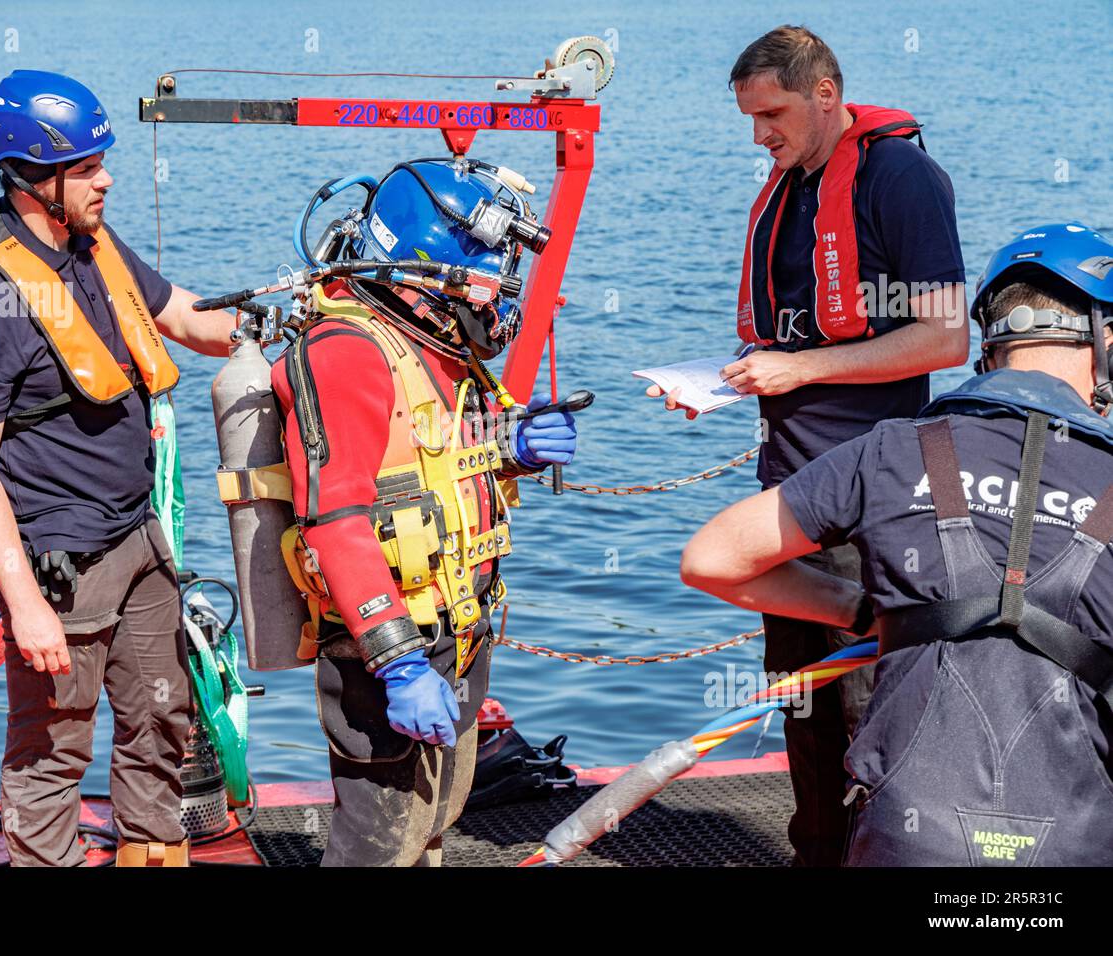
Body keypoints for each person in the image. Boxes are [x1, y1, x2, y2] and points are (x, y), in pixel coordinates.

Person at [682, 223, 1113, 865]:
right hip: (1073, 843)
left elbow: (711, 560)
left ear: (989, 348)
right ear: (1106, 343)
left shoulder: (893, 449)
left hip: (912, 837)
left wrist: (859, 611)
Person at [650, 25, 968, 865]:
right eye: (751, 118)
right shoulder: (791, 183)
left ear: (826, 94)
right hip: (789, 490)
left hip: (872, 495)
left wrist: (798, 370)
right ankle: (816, 852)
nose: (760, 135)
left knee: (868, 705)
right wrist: (724, 382)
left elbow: (945, 338)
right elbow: (796, 338)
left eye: (773, 114)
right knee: (800, 700)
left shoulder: (900, 178)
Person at [0, 70, 238, 866]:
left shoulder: (91, 244)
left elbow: (184, 317)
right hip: (61, 561)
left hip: (137, 535)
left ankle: (153, 854)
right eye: (90, 167)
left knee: (163, 716)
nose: (107, 179)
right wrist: (25, 605)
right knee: (52, 751)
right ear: (36, 178)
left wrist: (284, 321)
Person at [270, 159, 578, 866]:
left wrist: (511, 448)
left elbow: (429, 455)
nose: (495, 297)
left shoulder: (431, 341)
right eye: (483, 279)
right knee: (377, 845)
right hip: (389, 646)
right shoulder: (346, 353)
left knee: (432, 823)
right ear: (425, 273)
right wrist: (400, 665)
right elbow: (335, 522)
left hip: (458, 632)